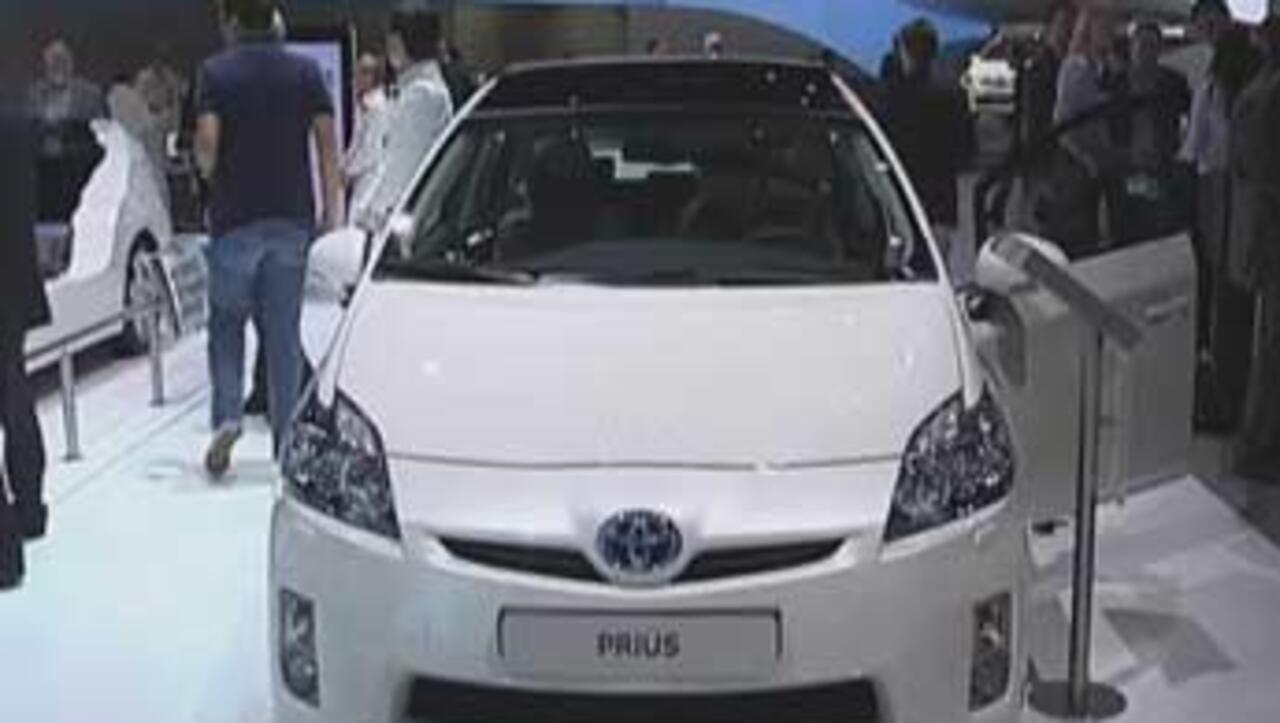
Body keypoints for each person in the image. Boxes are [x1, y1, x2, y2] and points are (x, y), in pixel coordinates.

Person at [195, 0, 342, 477]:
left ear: (233, 22)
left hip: (234, 219)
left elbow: (208, 142)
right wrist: (331, 213)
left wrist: (206, 171)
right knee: (283, 335)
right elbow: (327, 142)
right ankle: (285, 441)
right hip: (291, 218)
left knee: (226, 323)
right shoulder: (305, 72)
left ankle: (228, 416)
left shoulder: (215, 72)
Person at [1182, 21, 1262, 431]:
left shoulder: (1212, 91)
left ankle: (1224, 395)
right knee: (1244, 305)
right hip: (1252, 205)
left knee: (1220, 299)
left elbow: (1194, 149)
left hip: (1217, 197)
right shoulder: (1258, 94)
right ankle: (1245, 393)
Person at [0, 98, 51, 590]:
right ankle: (31, 510)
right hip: (15, 280)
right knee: (15, 396)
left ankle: (4, 554)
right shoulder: (19, 125)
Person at [881, 18, 976, 280]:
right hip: (940, 203)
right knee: (935, 275)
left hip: (902, 202)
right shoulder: (952, 97)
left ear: (905, 51)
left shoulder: (893, 99)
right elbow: (966, 152)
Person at [1229, 14, 1280, 481]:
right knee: (1271, 346)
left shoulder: (1255, 90)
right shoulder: (1270, 95)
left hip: (1260, 232)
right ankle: (1258, 446)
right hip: (1272, 232)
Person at [363, 6, 454, 226]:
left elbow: (400, 165)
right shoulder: (421, 90)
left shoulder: (422, 95)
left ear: (399, 42)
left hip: (404, 220)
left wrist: (369, 214)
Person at [1050, 6, 1121, 256]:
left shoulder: (1104, 69)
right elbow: (1064, 122)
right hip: (1078, 166)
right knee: (1080, 233)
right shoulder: (1076, 68)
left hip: (1100, 164)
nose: (1110, 33)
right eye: (1104, 27)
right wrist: (1086, 159)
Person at [27, 39, 106, 127]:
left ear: (71, 63)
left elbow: (101, 128)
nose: (59, 66)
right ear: (45, 66)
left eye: (63, 61)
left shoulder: (91, 94)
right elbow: (31, 126)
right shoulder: (36, 93)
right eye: (54, 62)